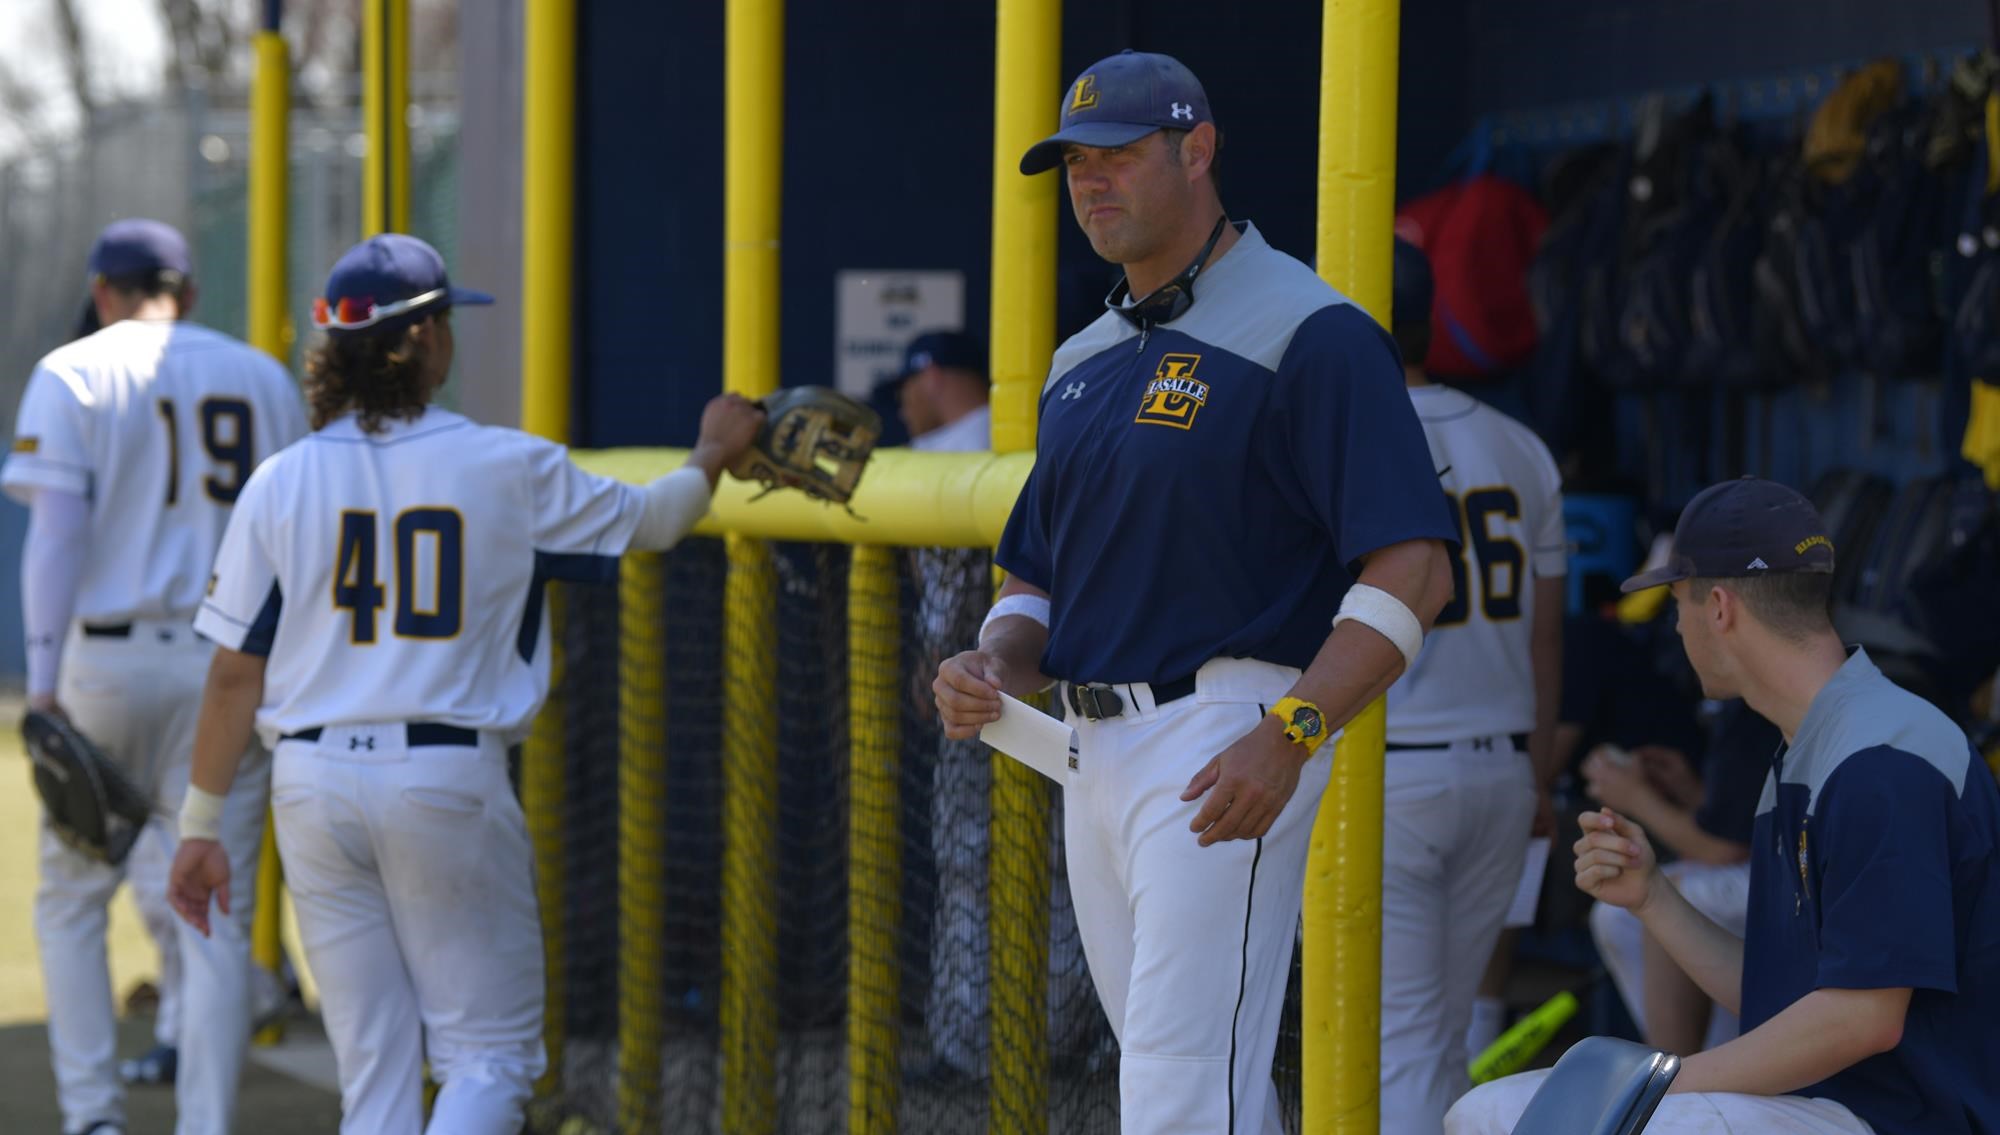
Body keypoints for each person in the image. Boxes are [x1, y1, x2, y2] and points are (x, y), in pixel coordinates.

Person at [932, 51, 1457, 1134]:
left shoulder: (1311, 328)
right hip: (1089, 747)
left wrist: (1291, 730)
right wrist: (995, 658)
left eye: (1118, 154)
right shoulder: (1081, 355)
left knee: (1176, 1084)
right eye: (1074, 163)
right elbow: (1035, 568)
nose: (1090, 182)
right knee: (1188, 1074)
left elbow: (1415, 564)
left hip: (1223, 731)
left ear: (1197, 148)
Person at [165, 233, 764, 1135]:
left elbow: (229, 676)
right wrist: (711, 451)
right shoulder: (505, 464)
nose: (449, 335)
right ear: (423, 341)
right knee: (490, 1057)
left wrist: (201, 826)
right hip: (442, 775)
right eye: (442, 319)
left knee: (375, 1065)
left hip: (312, 781)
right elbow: (657, 520)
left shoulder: (280, 479)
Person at [1447, 476, 2000, 1135]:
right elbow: (1781, 995)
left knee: (1580, 1118)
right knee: (1484, 1110)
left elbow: (1865, 1018)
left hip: (1903, 1119)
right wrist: (1651, 893)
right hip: (1832, 1106)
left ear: (1718, 607)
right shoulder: (1808, 745)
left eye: (1675, 602)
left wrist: (1660, 1080)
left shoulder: (1884, 755)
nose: (1675, 625)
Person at [4, 218, 309, 1135]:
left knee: (71, 899)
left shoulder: (74, 369)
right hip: (232, 665)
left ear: (104, 290)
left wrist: (46, 677)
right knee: (211, 907)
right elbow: (295, 527)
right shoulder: (260, 372)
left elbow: (55, 533)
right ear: (188, 291)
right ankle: (203, 1125)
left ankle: (95, 1117)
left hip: (107, 656)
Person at [1378, 239, 1566, 1132]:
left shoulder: (1348, 435)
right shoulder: (1520, 444)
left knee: (1409, 1045)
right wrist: (1538, 771)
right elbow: (1546, 628)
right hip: (1498, 767)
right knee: (1443, 1039)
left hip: (1392, 772)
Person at [1582, 698, 1774, 1055]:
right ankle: (1704, 1057)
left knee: (1674, 894)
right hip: (1762, 866)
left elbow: (1724, 849)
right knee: (1615, 914)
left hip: (1796, 872)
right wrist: (1690, 793)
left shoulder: (1759, 705)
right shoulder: (1732, 706)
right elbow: (1739, 827)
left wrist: (1635, 798)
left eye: (1686, 635)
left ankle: (1678, 1073)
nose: (1684, 641)